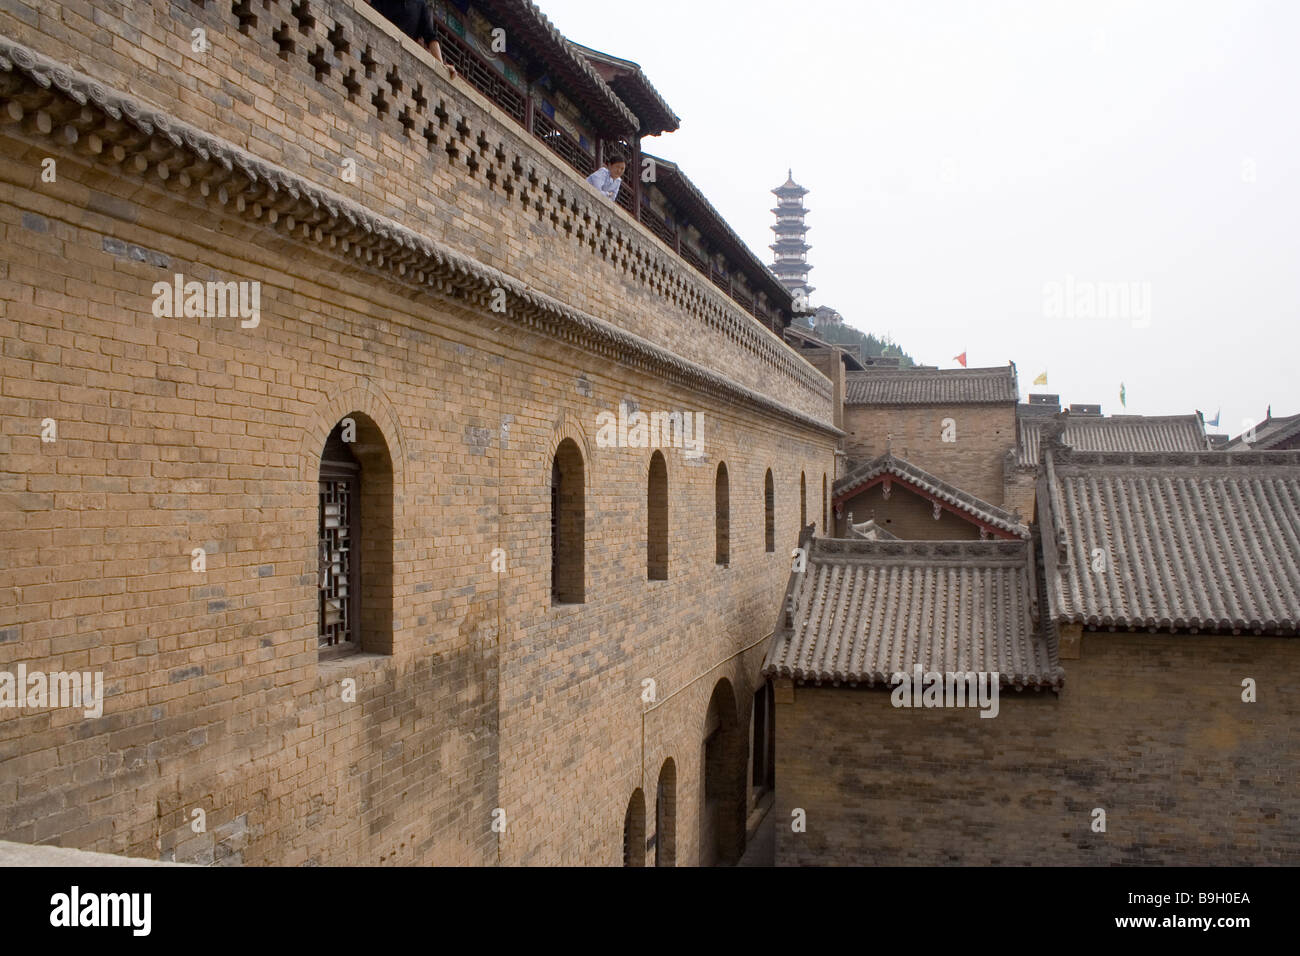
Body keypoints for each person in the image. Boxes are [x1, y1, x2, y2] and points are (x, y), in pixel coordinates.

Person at [370, 1, 456, 77]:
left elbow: (430, 37)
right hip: (376, 49)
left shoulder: (420, 6)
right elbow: (371, 11)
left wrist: (441, 66)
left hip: (401, 64)